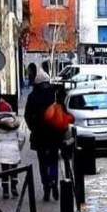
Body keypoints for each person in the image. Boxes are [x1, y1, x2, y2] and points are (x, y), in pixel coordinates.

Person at [24, 69, 72, 201]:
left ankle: (46, 187)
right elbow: (63, 112)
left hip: (39, 134)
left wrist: (33, 127)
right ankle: (54, 182)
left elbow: (27, 115)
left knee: (42, 162)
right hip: (54, 133)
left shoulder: (32, 96)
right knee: (53, 160)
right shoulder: (55, 94)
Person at [0, 99, 27, 198]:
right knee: (14, 170)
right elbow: (22, 136)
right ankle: (14, 188)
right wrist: (18, 146)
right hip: (14, 148)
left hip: (3, 149)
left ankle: (5, 191)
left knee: (4, 171)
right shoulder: (15, 123)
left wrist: (0, 147)